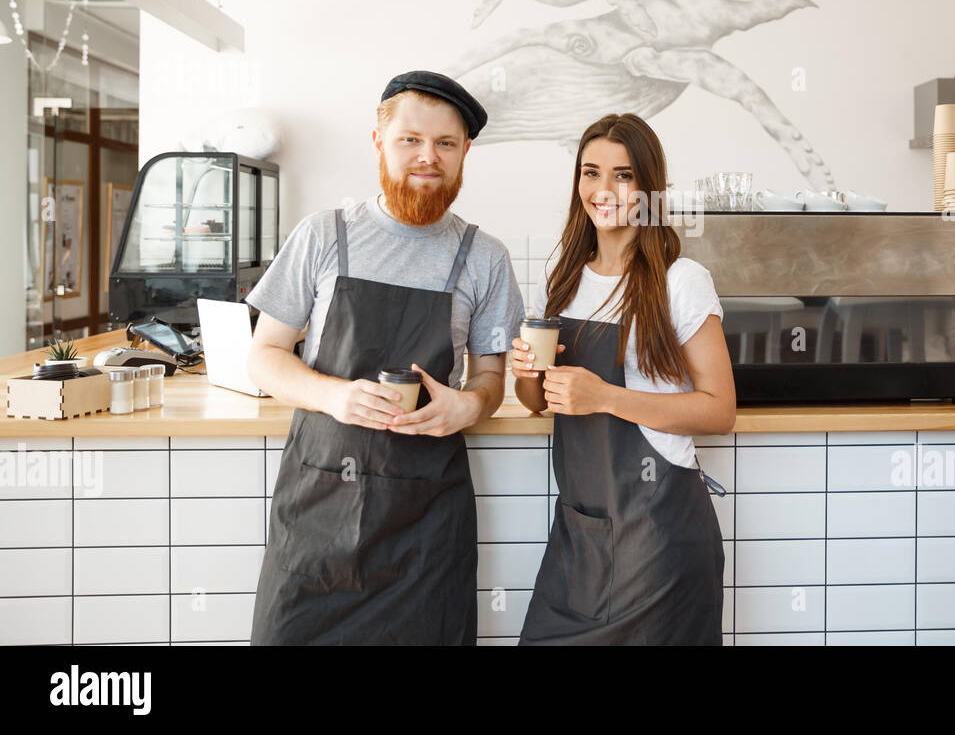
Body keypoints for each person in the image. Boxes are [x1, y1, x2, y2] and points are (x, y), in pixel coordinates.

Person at [246, 70, 524, 645]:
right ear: (379, 142)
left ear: (465, 151)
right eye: (410, 140)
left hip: (425, 530)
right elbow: (265, 355)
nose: (428, 157)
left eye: (446, 143)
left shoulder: (484, 258)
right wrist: (334, 395)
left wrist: (468, 407)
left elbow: (493, 377)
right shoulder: (325, 236)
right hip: (318, 517)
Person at [512, 112, 735, 645]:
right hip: (583, 530)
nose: (603, 189)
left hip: (658, 535)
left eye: (624, 175)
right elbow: (537, 401)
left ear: (649, 187)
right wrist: (526, 373)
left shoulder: (681, 282)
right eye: (591, 173)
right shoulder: (561, 277)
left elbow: (718, 410)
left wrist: (607, 396)